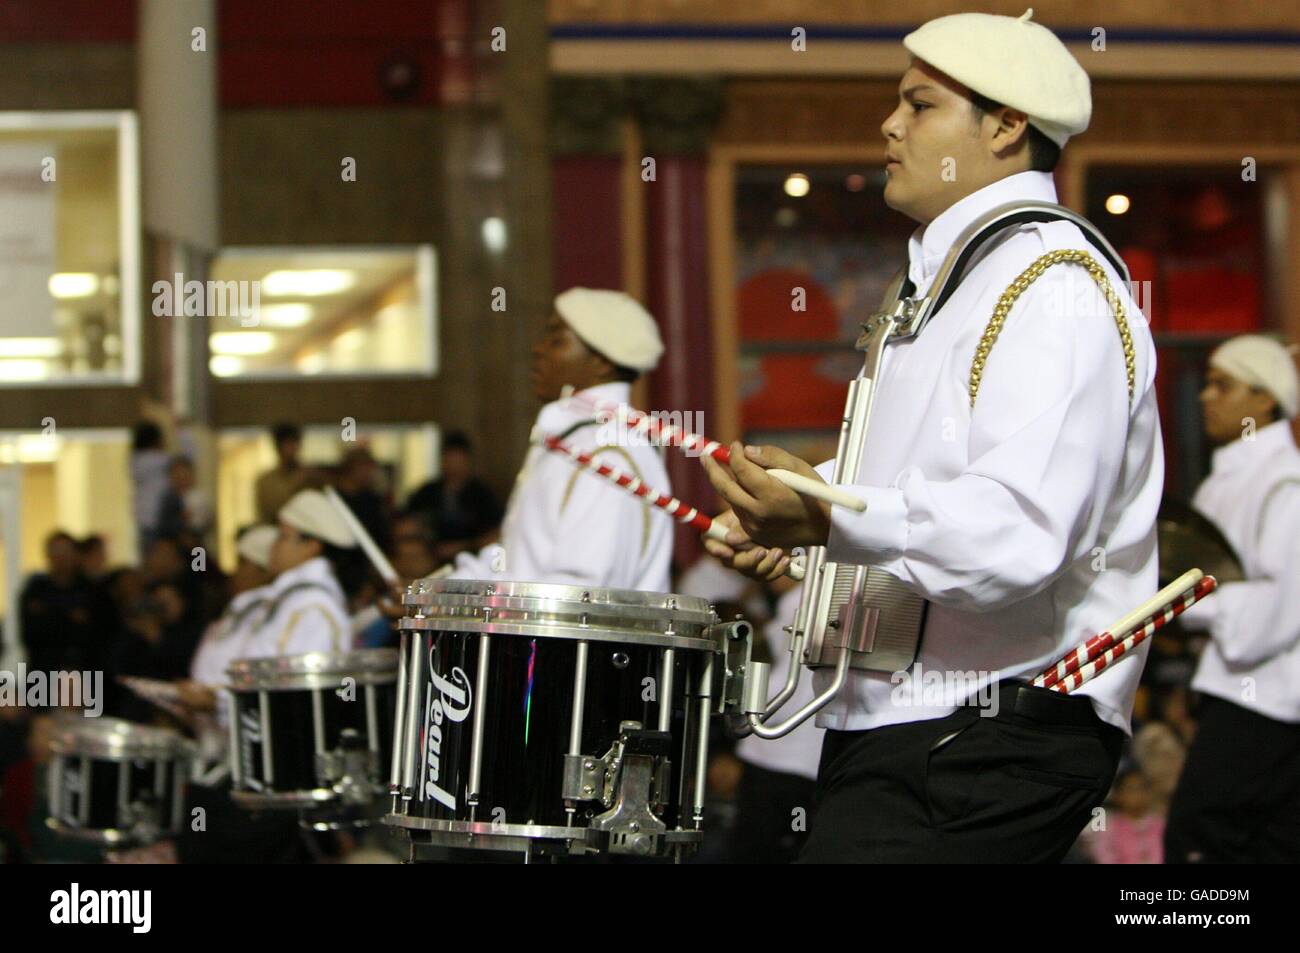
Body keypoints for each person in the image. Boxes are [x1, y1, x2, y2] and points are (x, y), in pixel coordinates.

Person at [703, 10, 1163, 862]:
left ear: (1005, 125)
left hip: (989, 728)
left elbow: (1021, 531)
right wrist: (800, 519)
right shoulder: (958, 278)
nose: (889, 124)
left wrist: (829, 522)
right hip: (906, 724)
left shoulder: (1053, 284)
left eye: (919, 105)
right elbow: (928, 484)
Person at [1165, 335, 1300, 863]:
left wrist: (1189, 611)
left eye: (1224, 385)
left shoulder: (1286, 484)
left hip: (1268, 696)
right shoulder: (1226, 481)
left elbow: (1278, 609)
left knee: (1199, 838)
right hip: (1238, 690)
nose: (1205, 397)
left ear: (1266, 399)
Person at [445, 288, 673, 591]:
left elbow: (579, 595)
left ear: (602, 362)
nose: (539, 350)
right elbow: (515, 562)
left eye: (557, 340)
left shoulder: (607, 454)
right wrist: (436, 592)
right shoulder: (572, 443)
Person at [244, 489, 359, 657]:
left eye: (283, 537)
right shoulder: (293, 597)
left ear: (311, 547)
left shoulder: (313, 606)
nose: (272, 547)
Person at [405, 432, 503, 563]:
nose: (453, 467)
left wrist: (461, 546)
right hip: (430, 562)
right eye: (449, 460)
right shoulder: (427, 493)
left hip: (473, 562)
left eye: (458, 461)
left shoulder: (482, 495)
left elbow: (496, 534)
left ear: (467, 461)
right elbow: (407, 523)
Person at [255, 423, 315, 524]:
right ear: (278, 447)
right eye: (288, 445)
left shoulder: (311, 477)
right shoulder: (266, 481)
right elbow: (267, 514)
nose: (292, 450)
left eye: (295, 444)